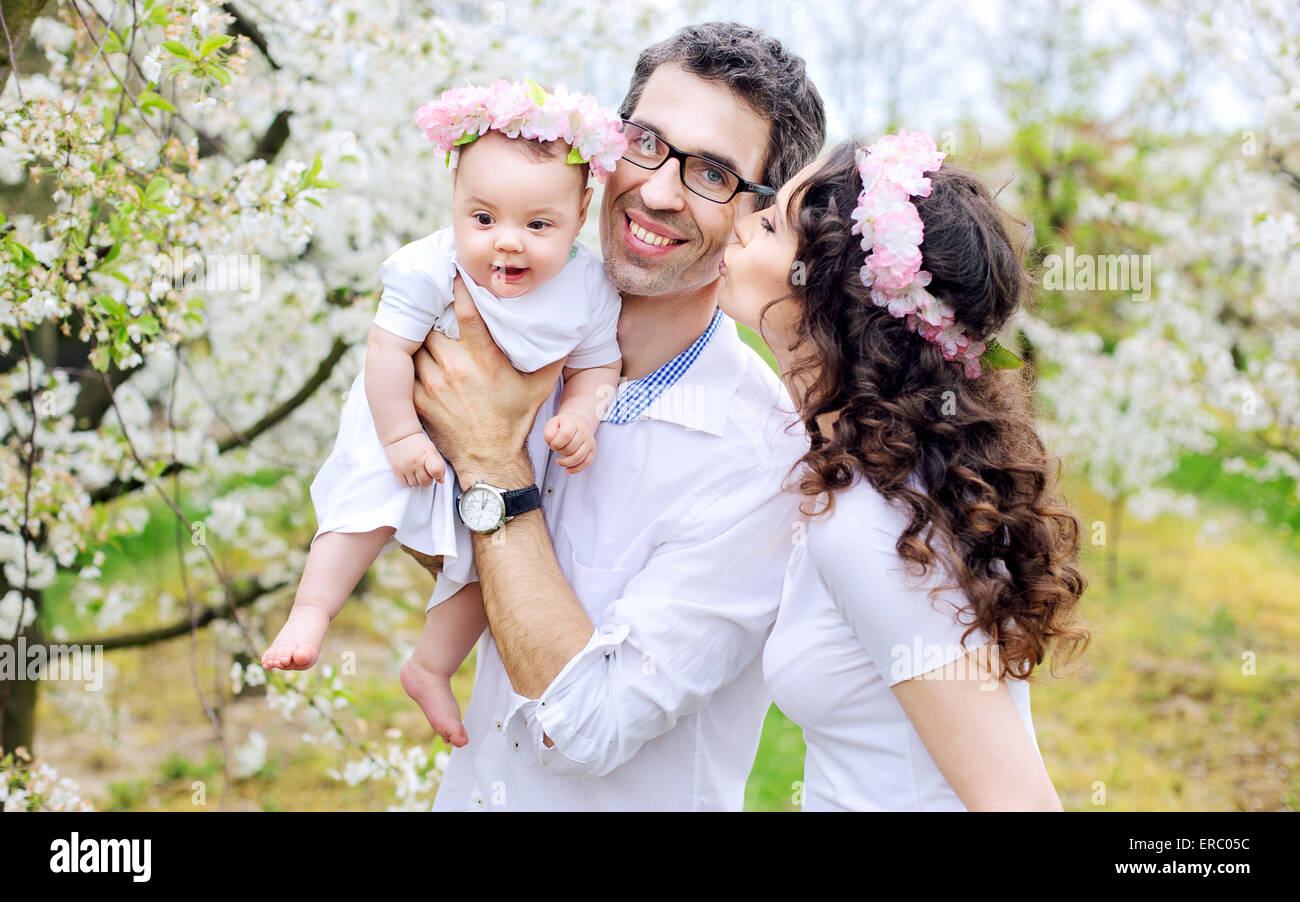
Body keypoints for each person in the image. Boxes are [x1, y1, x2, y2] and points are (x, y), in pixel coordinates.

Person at [409, 23, 827, 810]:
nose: (659, 191)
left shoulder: (761, 462)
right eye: (646, 143)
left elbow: (584, 726)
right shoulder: (511, 339)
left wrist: (495, 466)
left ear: (756, 217)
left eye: (710, 173)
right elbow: (460, 557)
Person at [717, 131, 1089, 810]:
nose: (739, 226)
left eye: (769, 224)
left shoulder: (876, 524)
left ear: (827, 292)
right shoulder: (875, 482)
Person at [262, 81, 628, 751]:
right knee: (363, 508)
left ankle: (430, 666)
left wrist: (583, 414)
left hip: (507, 434)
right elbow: (387, 348)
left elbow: (598, 367)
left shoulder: (590, 287)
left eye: (537, 225)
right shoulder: (431, 266)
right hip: (404, 409)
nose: (506, 244)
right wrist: (401, 435)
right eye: (482, 219)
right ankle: (311, 614)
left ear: (581, 214)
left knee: (486, 562)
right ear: (455, 201)